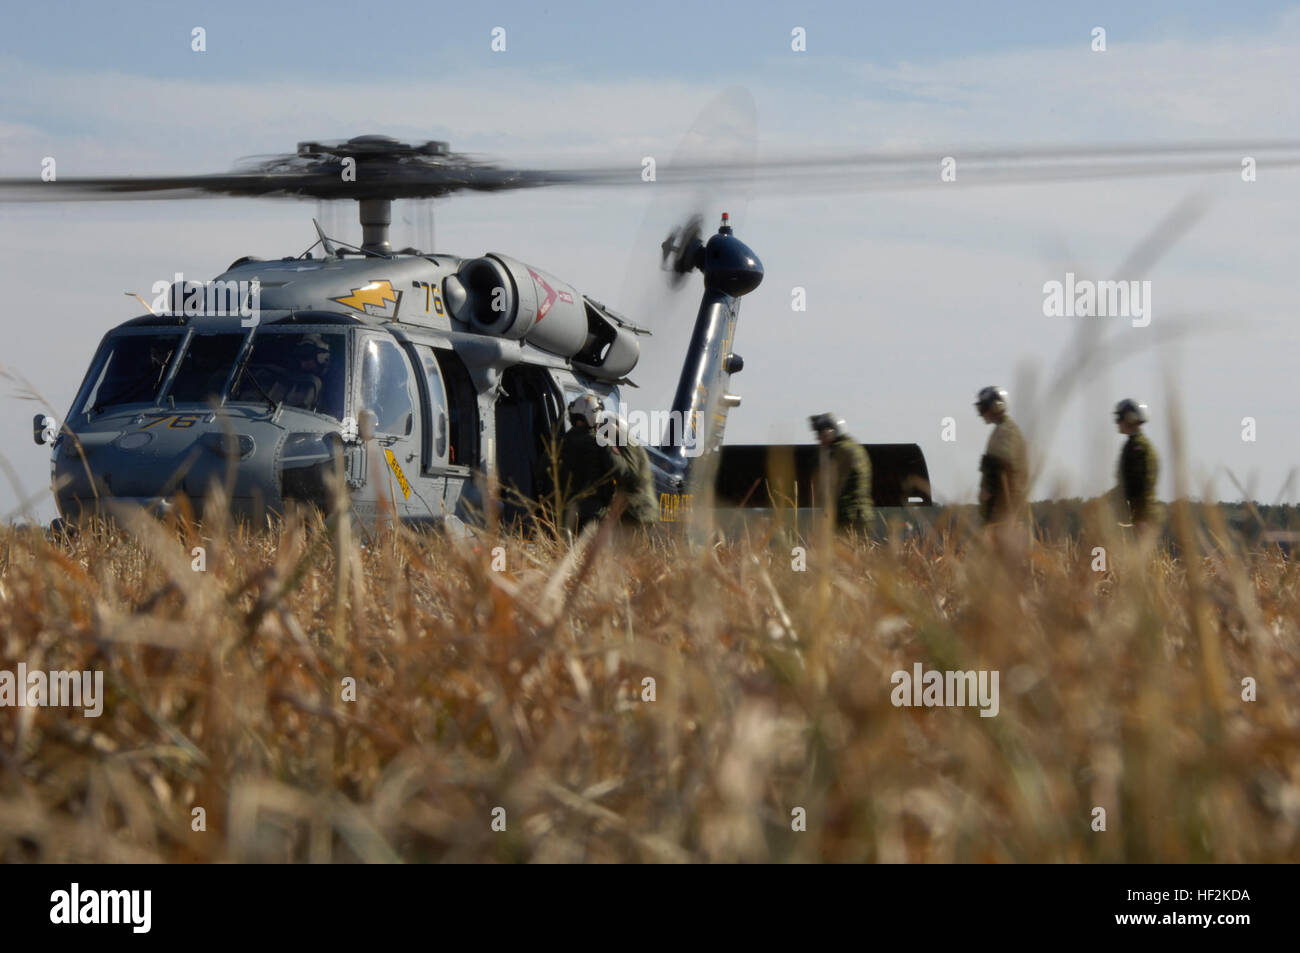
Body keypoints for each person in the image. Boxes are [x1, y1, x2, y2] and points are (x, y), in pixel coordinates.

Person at [556, 394, 631, 534]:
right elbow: (623, 472)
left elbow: (541, 473)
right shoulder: (602, 443)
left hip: (563, 516)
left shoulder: (558, 444)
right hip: (594, 516)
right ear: (596, 416)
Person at [810, 412, 873, 531]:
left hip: (847, 515)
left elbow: (830, 484)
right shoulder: (853, 447)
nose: (819, 438)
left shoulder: (840, 450)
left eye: (821, 434)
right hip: (860, 513)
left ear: (832, 432)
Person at [975, 386, 1028, 526]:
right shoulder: (1003, 429)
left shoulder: (1006, 431)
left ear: (996, 406)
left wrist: (988, 490)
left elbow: (1000, 465)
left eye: (983, 408)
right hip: (1002, 510)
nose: (981, 414)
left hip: (1003, 512)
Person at [601, 411, 659, 526]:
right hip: (640, 510)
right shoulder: (630, 443)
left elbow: (631, 474)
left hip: (636, 511)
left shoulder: (626, 442)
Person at [1114, 398, 1159, 526]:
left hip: (1140, 516)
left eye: (1120, 418)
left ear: (1130, 418)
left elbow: (1135, 485)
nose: (1117, 422)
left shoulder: (1137, 447)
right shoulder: (1136, 444)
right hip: (1140, 514)